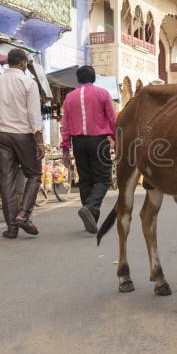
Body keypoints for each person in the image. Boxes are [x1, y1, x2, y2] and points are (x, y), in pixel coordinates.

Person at [0, 48, 44, 239]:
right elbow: (34, 114)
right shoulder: (28, 82)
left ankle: (12, 228)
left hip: (1, 137)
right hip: (23, 136)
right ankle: (23, 215)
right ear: (23, 63)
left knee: (6, 181)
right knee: (34, 174)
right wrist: (40, 141)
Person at [61, 65, 118, 234]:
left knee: (85, 179)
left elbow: (65, 125)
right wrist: (117, 138)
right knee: (104, 178)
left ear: (78, 79)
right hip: (99, 141)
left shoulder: (69, 98)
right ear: (94, 78)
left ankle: (91, 215)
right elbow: (113, 120)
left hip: (78, 142)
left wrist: (65, 148)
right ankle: (90, 207)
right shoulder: (103, 94)